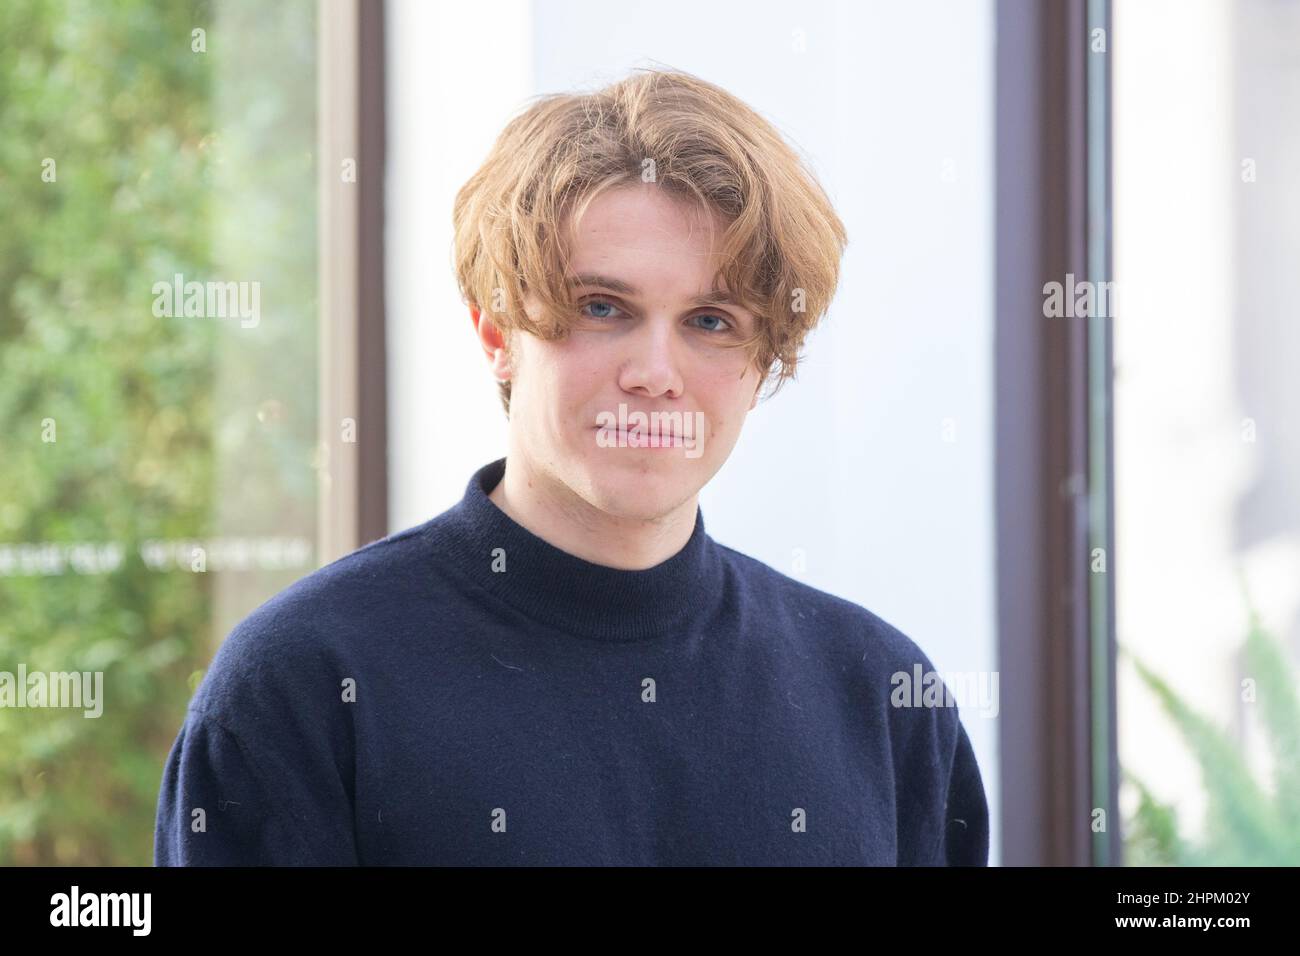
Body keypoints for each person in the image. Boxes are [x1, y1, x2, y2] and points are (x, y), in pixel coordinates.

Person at [154, 67, 989, 866]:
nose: (655, 372)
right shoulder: (306, 682)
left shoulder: (879, 695)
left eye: (710, 320)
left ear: (764, 358)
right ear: (496, 333)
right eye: (602, 308)